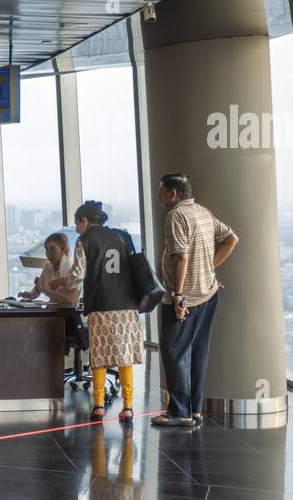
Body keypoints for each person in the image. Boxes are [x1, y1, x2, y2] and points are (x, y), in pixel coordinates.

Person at [152, 173, 238, 428]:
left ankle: (180, 412)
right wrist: (209, 270)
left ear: (173, 194)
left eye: (161, 192)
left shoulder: (175, 215)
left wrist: (178, 296)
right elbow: (232, 238)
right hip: (209, 293)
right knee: (198, 351)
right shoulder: (202, 212)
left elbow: (181, 257)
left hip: (186, 297)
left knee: (173, 351)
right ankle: (195, 409)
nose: (159, 197)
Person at [57, 201, 143, 421]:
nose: (76, 228)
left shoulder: (85, 240)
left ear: (84, 221)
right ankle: (129, 406)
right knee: (124, 357)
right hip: (127, 304)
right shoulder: (123, 236)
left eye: (77, 223)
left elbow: (78, 274)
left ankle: (98, 406)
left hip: (101, 304)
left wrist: (58, 282)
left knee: (99, 356)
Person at [20, 232, 79, 307]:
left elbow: (70, 300)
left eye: (52, 249)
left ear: (64, 250)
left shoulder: (74, 270)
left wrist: (43, 289)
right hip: (51, 312)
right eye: (46, 250)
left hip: (67, 315)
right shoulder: (48, 267)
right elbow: (38, 289)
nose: (48, 253)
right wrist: (30, 294)